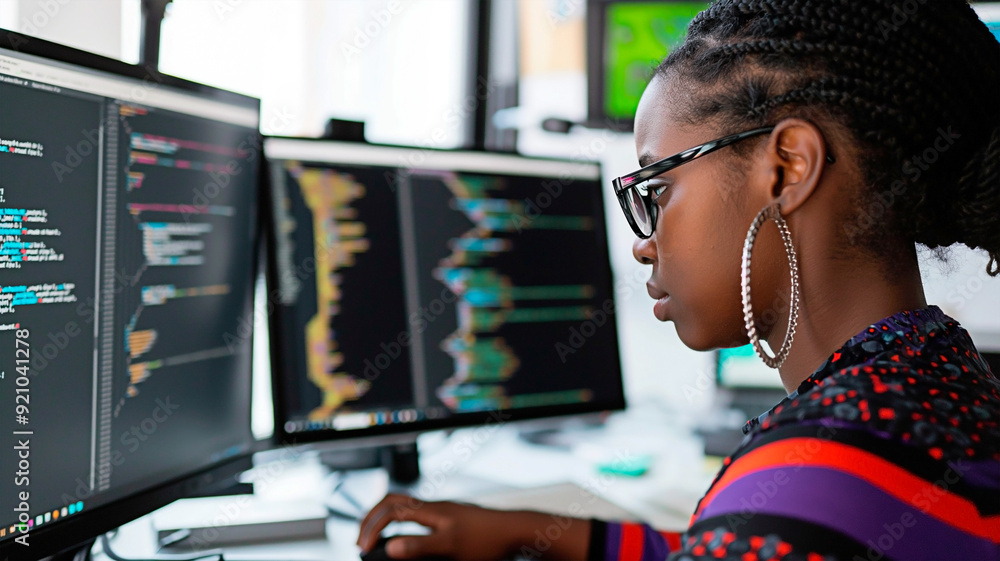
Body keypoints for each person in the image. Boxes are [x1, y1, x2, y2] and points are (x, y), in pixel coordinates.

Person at [357, 0, 1000, 559]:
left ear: (787, 167)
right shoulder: (941, 377)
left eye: (657, 191)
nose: (644, 245)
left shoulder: (816, 469)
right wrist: (543, 534)